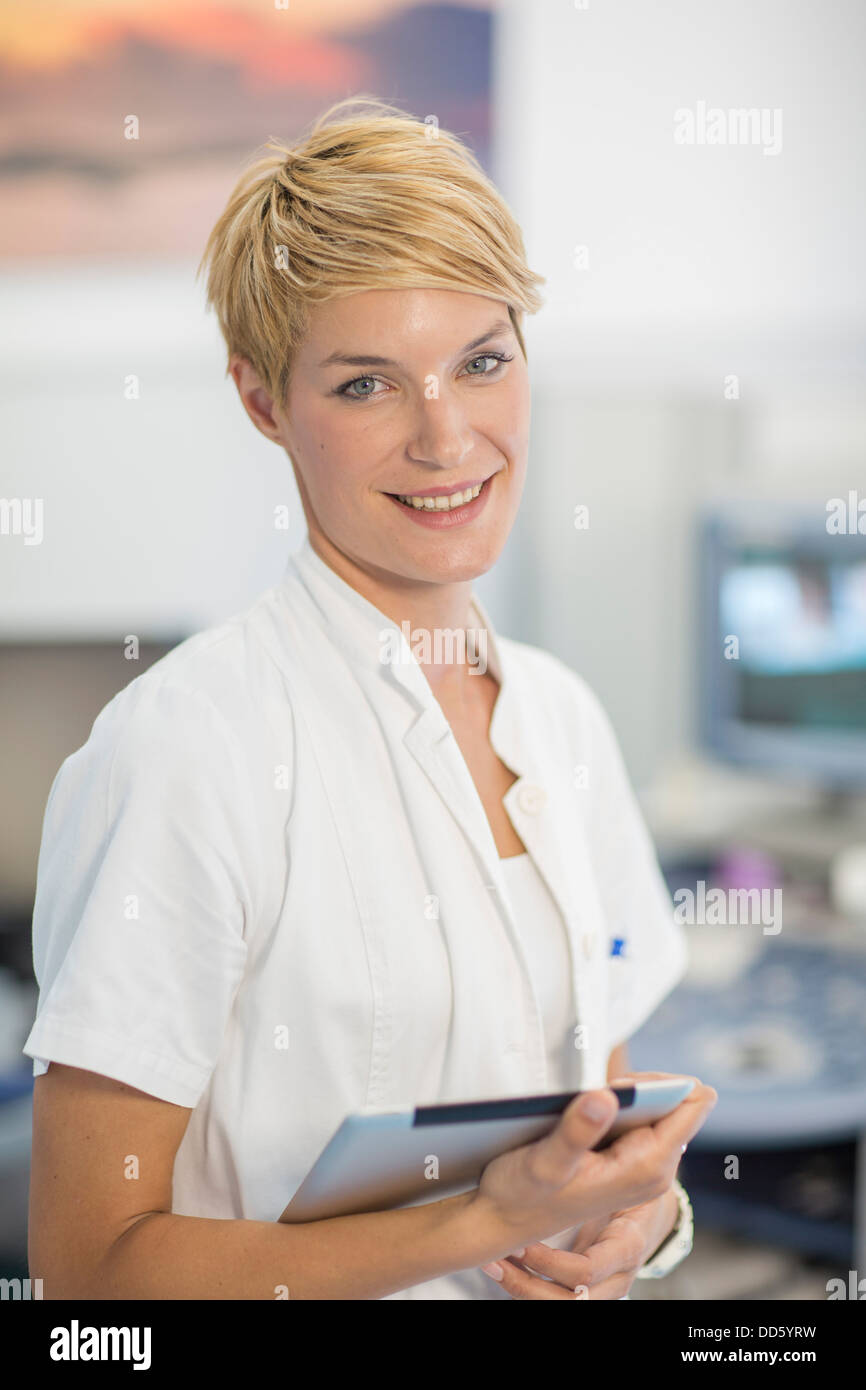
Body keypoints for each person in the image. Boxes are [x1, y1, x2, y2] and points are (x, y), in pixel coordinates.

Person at [24, 96, 716, 1300]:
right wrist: (476, 1223)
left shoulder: (559, 718)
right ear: (262, 402)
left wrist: (633, 1219)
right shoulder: (186, 749)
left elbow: (593, 1125)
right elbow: (91, 1272)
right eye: (365, 385)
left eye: (481, 362)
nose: (446, 438)